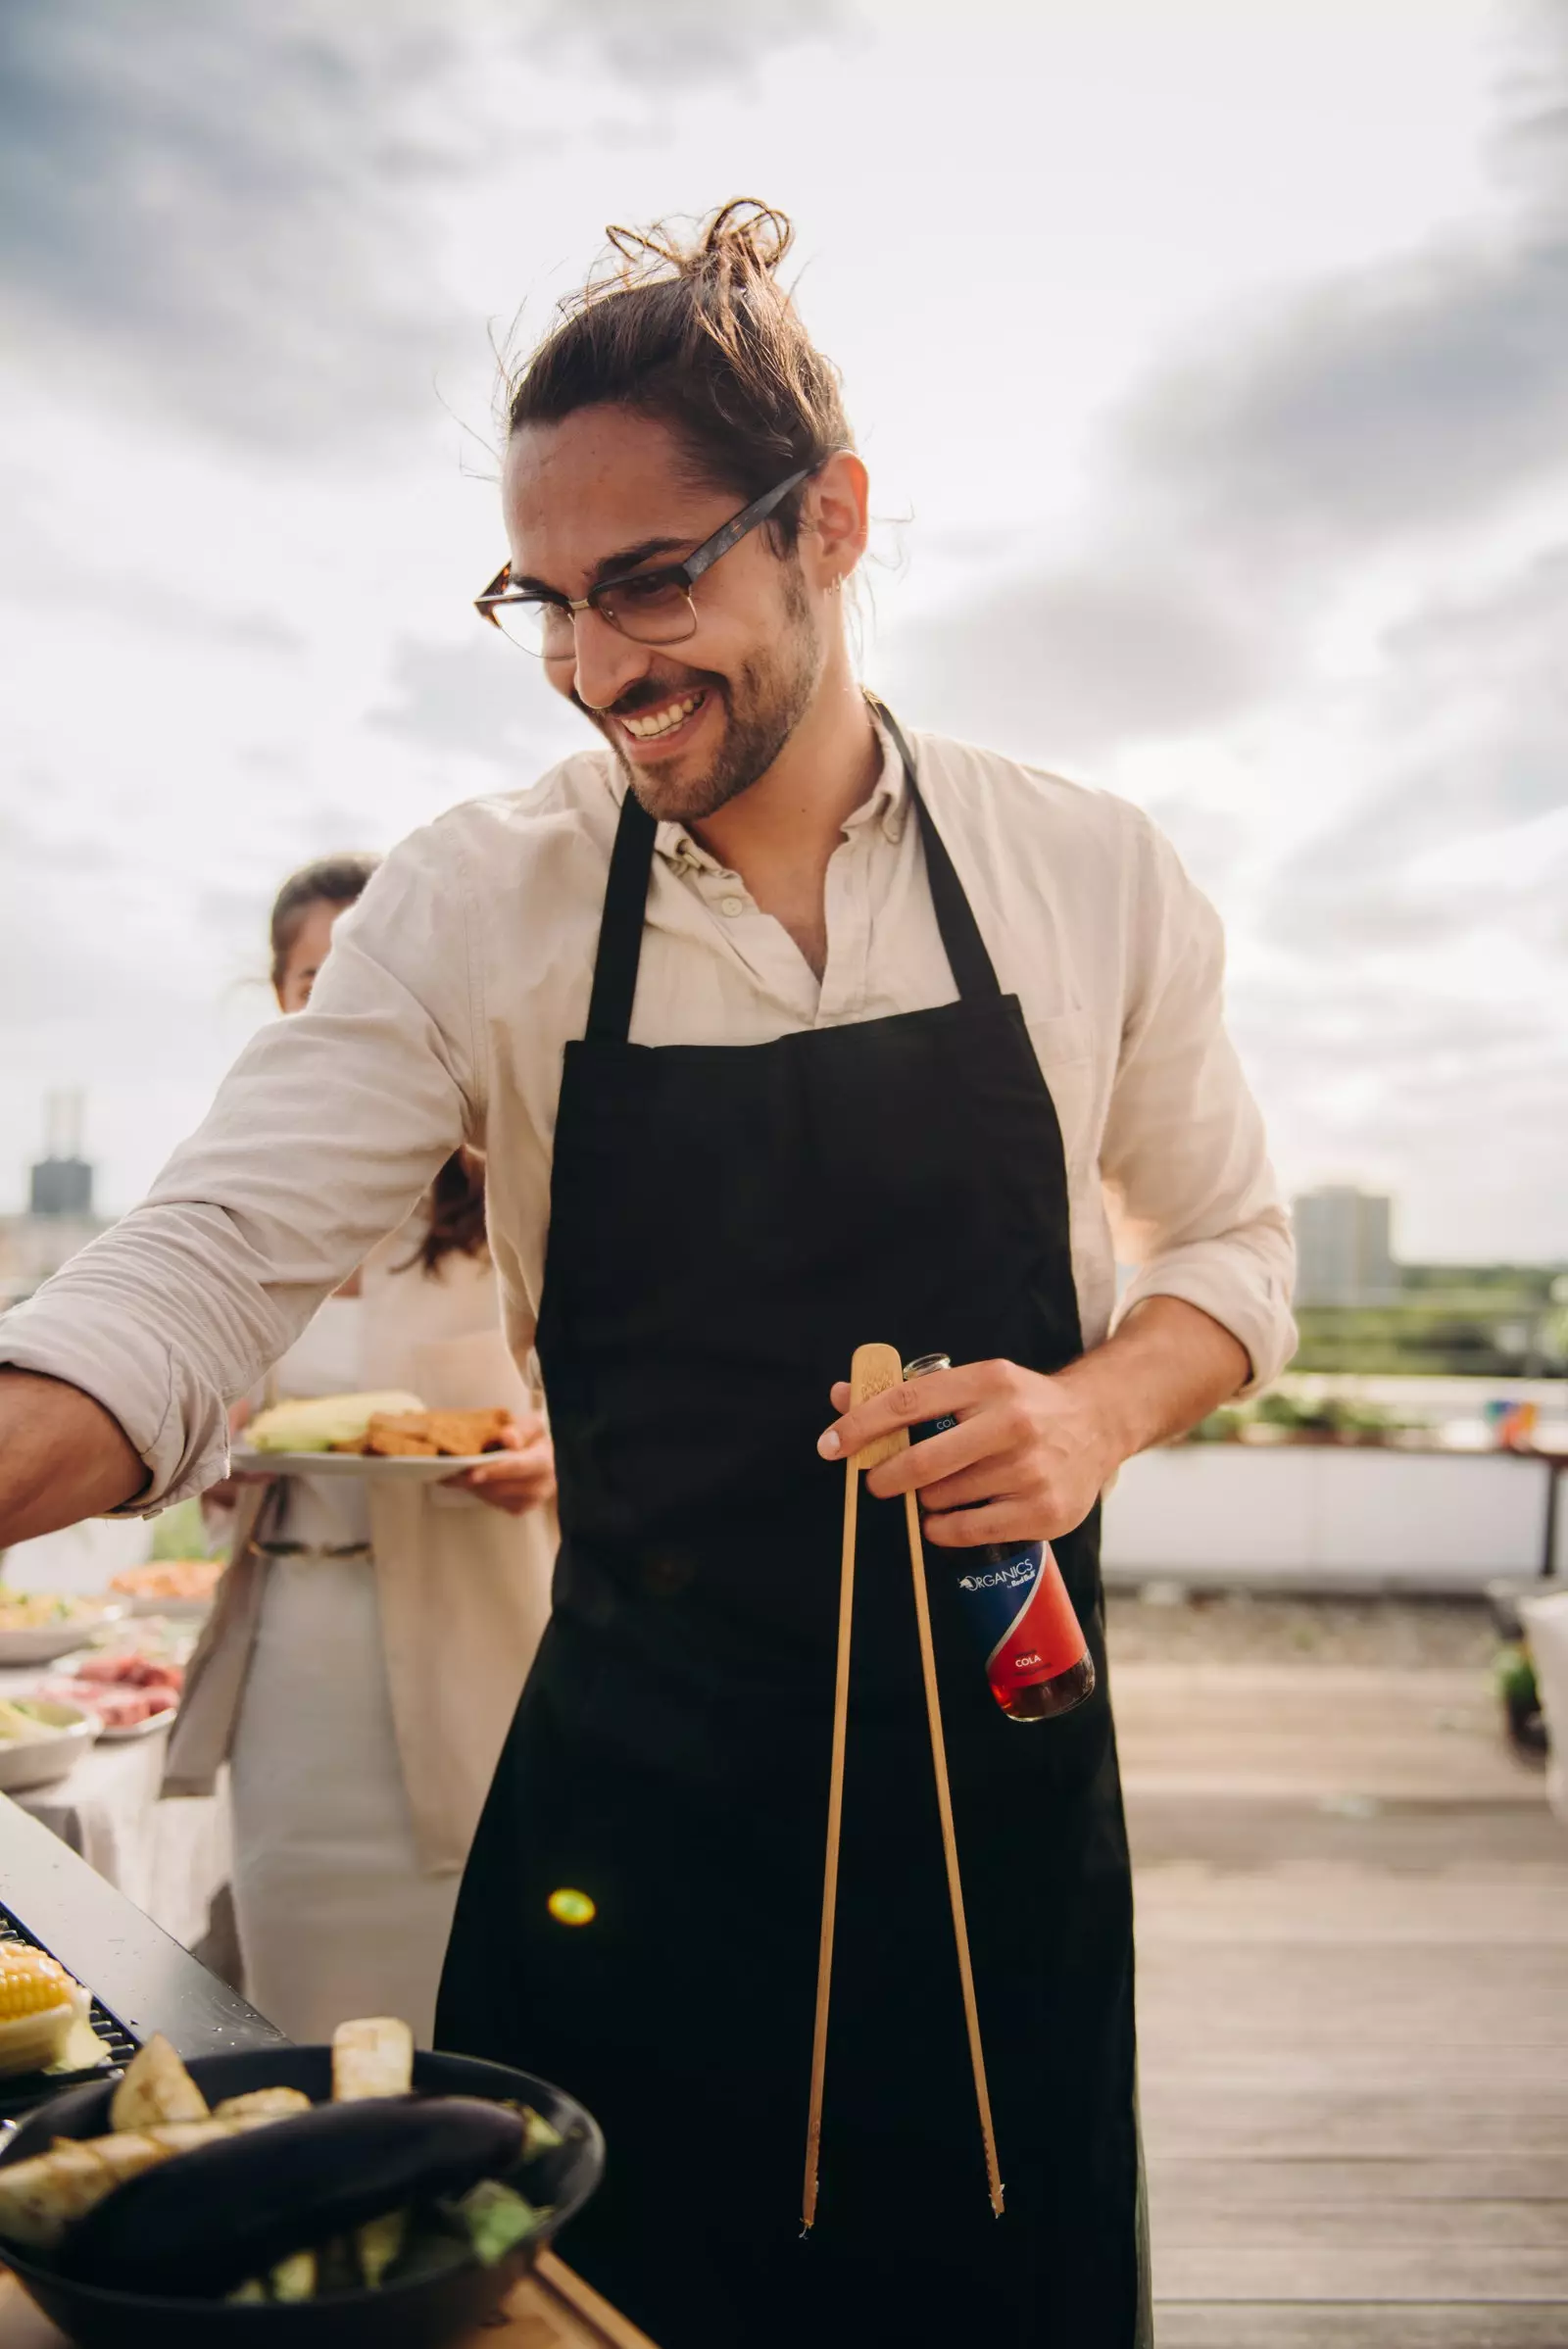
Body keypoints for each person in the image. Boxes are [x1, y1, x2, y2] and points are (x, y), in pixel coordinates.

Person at [0, 201, 1296, 2347]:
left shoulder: (1088, 870)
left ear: (832, 522)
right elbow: (204, 1266)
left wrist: (1091, 1407)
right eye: (546, 602)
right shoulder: (475, 902)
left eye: (653, 581)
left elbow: (1232, 1249)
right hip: (628, 1820)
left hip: (997, 1815)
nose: (599, 667)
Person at [163, 856, 558, 2044]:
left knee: (469, 2010)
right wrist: (209, 1443)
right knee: (291, 2002)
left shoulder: (510, 1204)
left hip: (475, 1657)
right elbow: (187, 1438)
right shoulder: (237, 1207)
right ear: (282, 1001)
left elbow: (605, 1412)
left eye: (364, 977)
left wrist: (554, 1461)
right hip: (291, 1666)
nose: (339, 1005)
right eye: (312, 981)